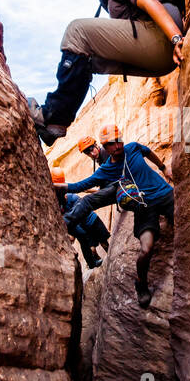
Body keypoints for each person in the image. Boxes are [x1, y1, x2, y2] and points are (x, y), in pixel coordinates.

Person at [26, 0, 185, 145]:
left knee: (76, 31)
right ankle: (55, 124)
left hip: (164, 39)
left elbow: (148, 1)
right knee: (85, 61)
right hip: (157, 52)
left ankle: (53, 114)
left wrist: (175, 38)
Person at [64, 125, 174, 308]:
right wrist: (58, 186)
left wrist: (163, 167)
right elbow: (81, 185)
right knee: (146, 249)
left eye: (118, 140)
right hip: (143, 203)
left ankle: (68, 224)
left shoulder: (132, 148)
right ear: (105, 147)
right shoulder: (106, 166)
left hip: (161, 194)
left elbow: (147, 153)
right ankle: (141, 283)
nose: (117, 145)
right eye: (112, 144)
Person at [51, 168, 110, 269]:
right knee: (88, 241)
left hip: (89, 220)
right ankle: (94, 262)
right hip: (85, 221)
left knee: (95, 241)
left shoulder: (70, 196)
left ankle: (99, 261)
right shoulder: (63, 197)